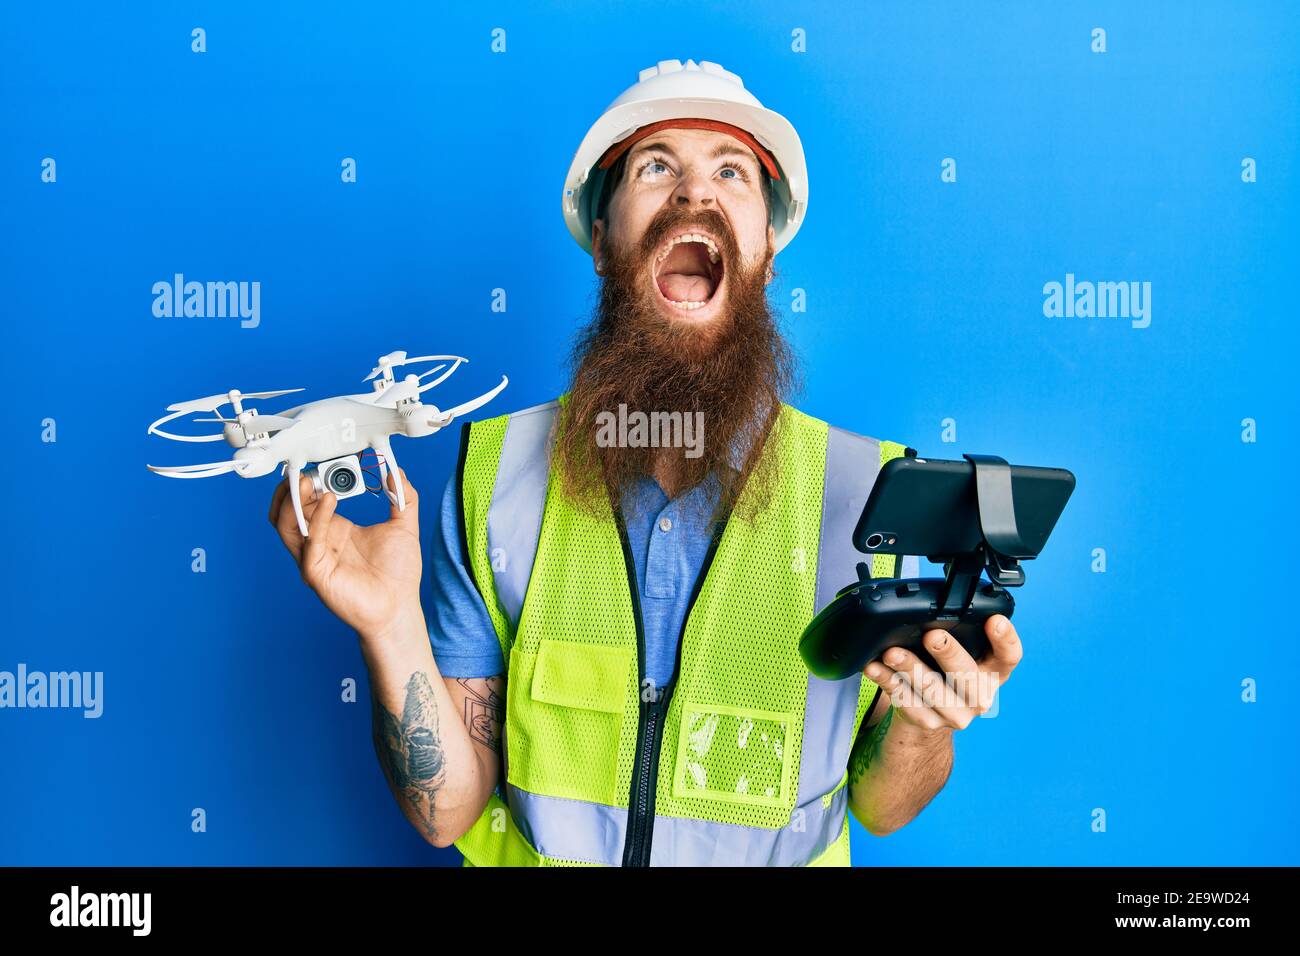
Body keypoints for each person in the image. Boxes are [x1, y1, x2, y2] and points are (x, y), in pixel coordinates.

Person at [269, 59, 1022, 867]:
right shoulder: (493, 478)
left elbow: (881, 804)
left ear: (767, 248)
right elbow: (446, 811)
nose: (693, 196)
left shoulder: (867, 493)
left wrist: (925, 720)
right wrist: (390, 627)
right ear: (602, 239)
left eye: (730, 171)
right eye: (655, 166)